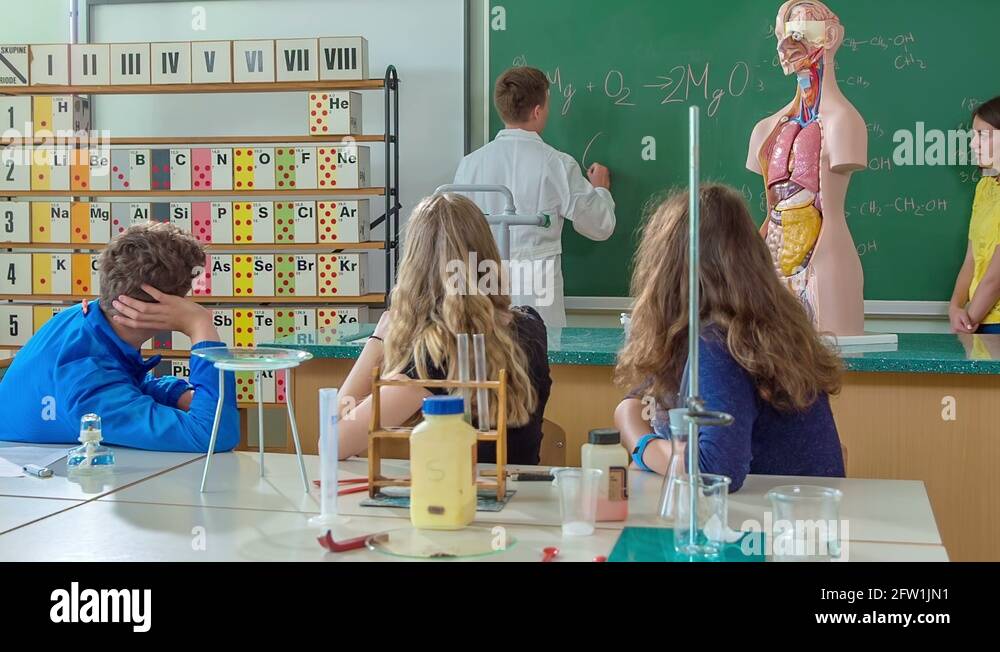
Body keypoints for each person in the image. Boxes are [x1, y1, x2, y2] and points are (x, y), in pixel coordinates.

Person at [613, 184, 844, 491]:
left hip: (767, 526)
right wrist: (631, 415)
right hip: (798, 523)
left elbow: (715, 471)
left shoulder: (718, 343)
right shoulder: (763, 330)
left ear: (667, 273)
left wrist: (643, 446)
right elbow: (640, 400)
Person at [336, 193, 551, 464]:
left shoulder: (431, 354)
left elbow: (333, 442)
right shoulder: (531, 326)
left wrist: (377, 341)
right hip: (525, 496)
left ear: (414, 267)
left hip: (453, 496)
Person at [0, 222, 239, 453]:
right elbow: (214, 434)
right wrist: (199, 325)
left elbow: (121, 385)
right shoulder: (90, 387)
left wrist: (175, 394)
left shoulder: (81, 319)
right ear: (165, 304)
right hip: (32, 489)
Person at [453, 66, 616, 328]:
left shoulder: (469, 165)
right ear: (538, 111)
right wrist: (601, 190)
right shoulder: (557, 164)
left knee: (487, 363)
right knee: (536, 359)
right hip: (538, 295)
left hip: (483, 288)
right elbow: (600, 225)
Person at [949, 96, 1000, 334]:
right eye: (974, 135)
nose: (973, 144)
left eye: (983, 135)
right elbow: (972, 259)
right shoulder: (985, 187)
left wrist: (967, 320)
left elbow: (996, 278)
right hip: (976, 320)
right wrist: (955, 306)